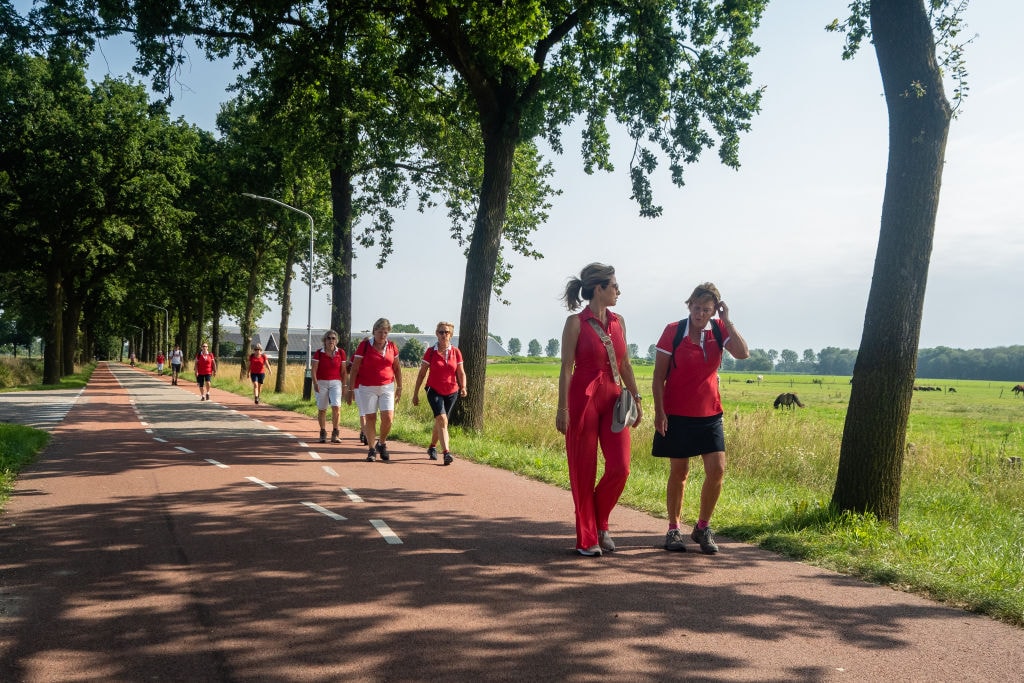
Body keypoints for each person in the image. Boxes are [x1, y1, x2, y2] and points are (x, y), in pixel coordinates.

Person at [651, 282, 749, 554]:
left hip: (710, 414)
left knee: (717, 470)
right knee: (679, 472)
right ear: (689, 305)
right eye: (696, 307)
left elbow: (742, 353)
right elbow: (659, 377)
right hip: (677, 414)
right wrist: (660, 412)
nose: (700, 314)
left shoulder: (718, 330)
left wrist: (727, 320)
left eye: (707, 309)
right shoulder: (673, 331)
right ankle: (673, 529)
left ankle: (702, 527)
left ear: (713, 310)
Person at [556, 263, 642, 557]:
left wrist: (637, 399)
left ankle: (600, 519)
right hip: (583, 397)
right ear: (599, 289)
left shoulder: (619, 322)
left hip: (615, 398)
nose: (619, 291)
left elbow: (626, 364)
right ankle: (588, 537)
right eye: (614, 286)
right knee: (584, 470)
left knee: (621, 466)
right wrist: (562, 408)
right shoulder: (576, 323)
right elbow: (567, 367)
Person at [412, 321, 468, 466]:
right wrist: (416, 393)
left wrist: (463, 387)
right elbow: (421, 374)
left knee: (441, 421)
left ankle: (432, 447)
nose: (444, 335)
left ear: (451, 335)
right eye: (441, 332)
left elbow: (460, 372)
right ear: (437, 334)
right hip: (434, 390)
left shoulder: (456, 352)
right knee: (442, 420)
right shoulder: (431, 352)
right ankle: (447, 453)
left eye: (447, 332)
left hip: (452, 391)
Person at [346, 318, 402, 462]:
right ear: (374, 331)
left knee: (388, 417)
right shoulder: (364, 346)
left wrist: (400, 386)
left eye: (385, 332)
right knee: (370, 418)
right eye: (379, 332)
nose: (382, 335)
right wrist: (350, 389)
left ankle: (381, 443)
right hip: (367, 387)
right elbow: (355, 368)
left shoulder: (392, 347)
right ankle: (371, 449)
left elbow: (396, 367)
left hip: (387, 386)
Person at [312, 330, 347, 443]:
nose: (331, 340)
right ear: (324, 340)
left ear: (336, 341)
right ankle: (323, 432)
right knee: (322, 409)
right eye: (328, 338)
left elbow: (343, 371)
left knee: (336, 407)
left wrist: (344, 385)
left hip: (336, 382)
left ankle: (335, 433)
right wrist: (316, 383)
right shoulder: (319, 353)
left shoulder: (341, 353)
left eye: (333, 338)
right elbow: (314, 370)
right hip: (321, 382)